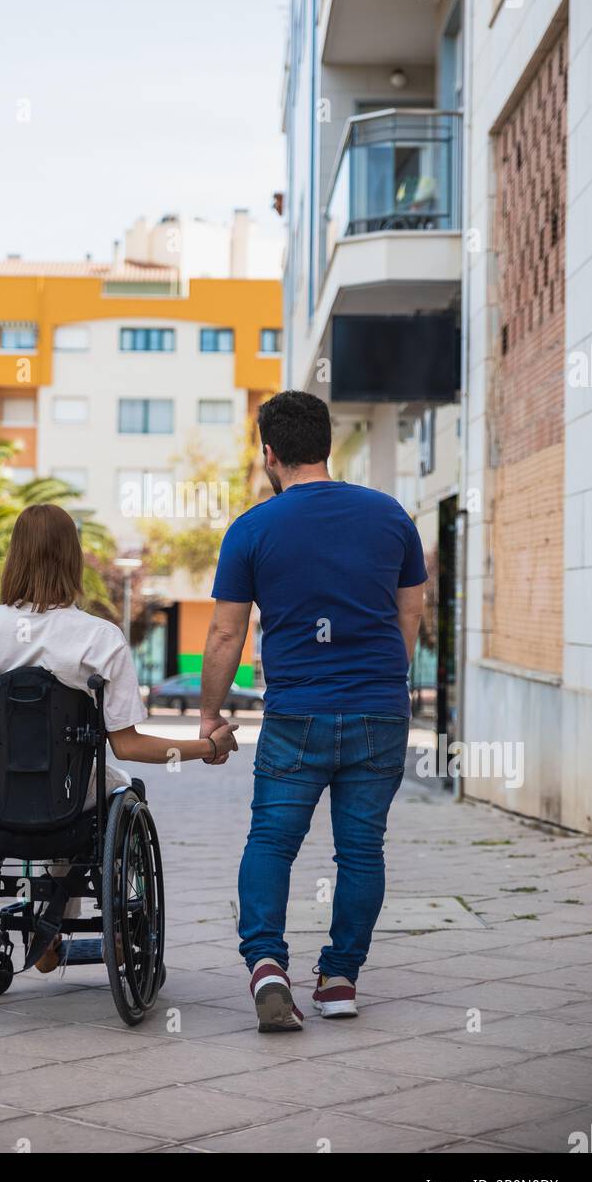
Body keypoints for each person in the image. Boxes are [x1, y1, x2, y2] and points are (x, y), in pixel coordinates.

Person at [199, 391, 426, 1032]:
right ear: (326, 445)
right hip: (379, 710)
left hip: (296, 713)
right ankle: (340, 979)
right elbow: (411, 611)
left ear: (269, 454)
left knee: (272, 840)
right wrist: (388, 677)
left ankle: (268, 965)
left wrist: (210, 717)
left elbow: (224, 634)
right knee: (361, 852)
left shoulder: (252, 528)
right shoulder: (391, 517)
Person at [0, 503, 238, 970]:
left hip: (1, 801)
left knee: (74, 791)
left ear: (14, 557)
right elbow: (129, 745)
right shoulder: (98, 637)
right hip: (70, 799)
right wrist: (207, 747)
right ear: (73, 558)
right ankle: (94, 921)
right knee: (117, 790)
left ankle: (48, 932)